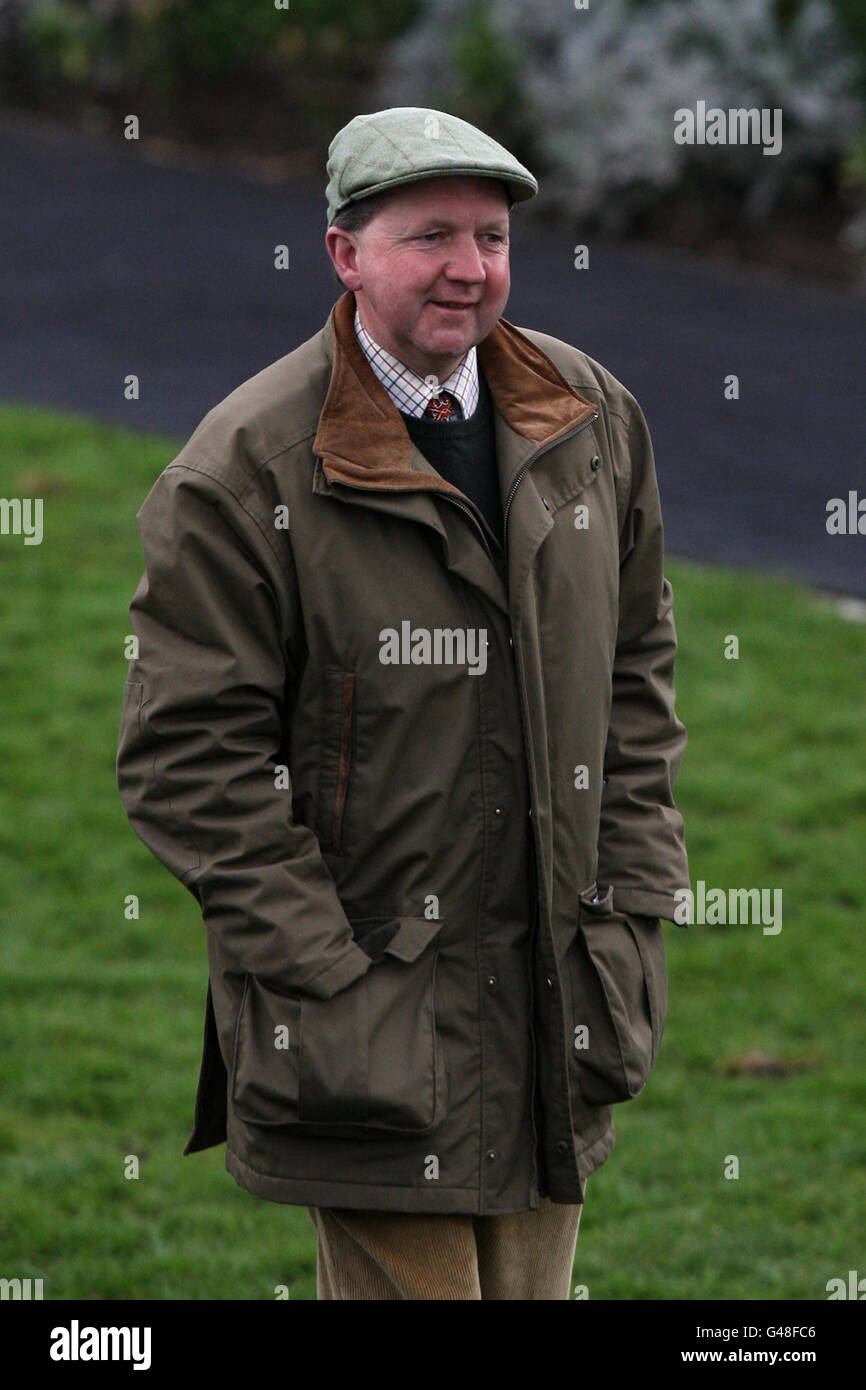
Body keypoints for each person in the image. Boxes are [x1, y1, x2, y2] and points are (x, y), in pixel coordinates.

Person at [116, 106, 689, 1301]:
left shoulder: (590, 421)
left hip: (552, 1005)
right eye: (430, 236)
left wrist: (627, 904)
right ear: (344, 254)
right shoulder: (241, 472)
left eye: (489, 238)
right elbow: (186, 763)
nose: (468, 270)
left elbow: (636, 675)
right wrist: (330, 974)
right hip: (367, 1032)